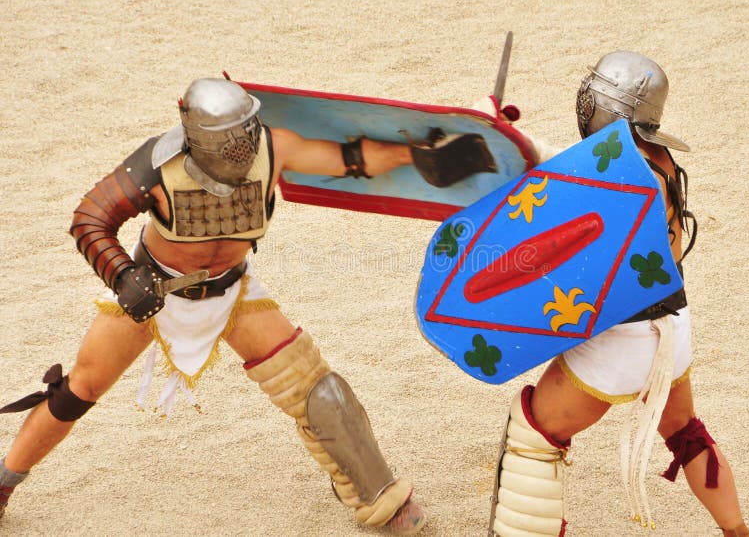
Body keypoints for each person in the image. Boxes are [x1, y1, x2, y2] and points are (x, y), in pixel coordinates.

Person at [0, 77, 440, 534]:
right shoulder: (157, 164)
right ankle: (4, 481)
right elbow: (91, 218)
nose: (239, 148)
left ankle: (378, 496)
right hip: (156, 289)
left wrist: (421, 152)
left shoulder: (275, 147)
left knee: (320, 392)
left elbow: (351, 161)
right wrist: (123, 276)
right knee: (78, 390)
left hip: (234, 291)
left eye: (244, 132)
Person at [485, 52, 749, 537]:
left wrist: (500, 145)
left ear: (609, 109)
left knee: (534, 433)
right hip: (672, 328)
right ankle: (739, 532)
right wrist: (510, 140)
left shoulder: (616, 176)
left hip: (623, 338)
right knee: (685, 433)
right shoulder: (657, 160)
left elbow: (550, 200)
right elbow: (561, 171)